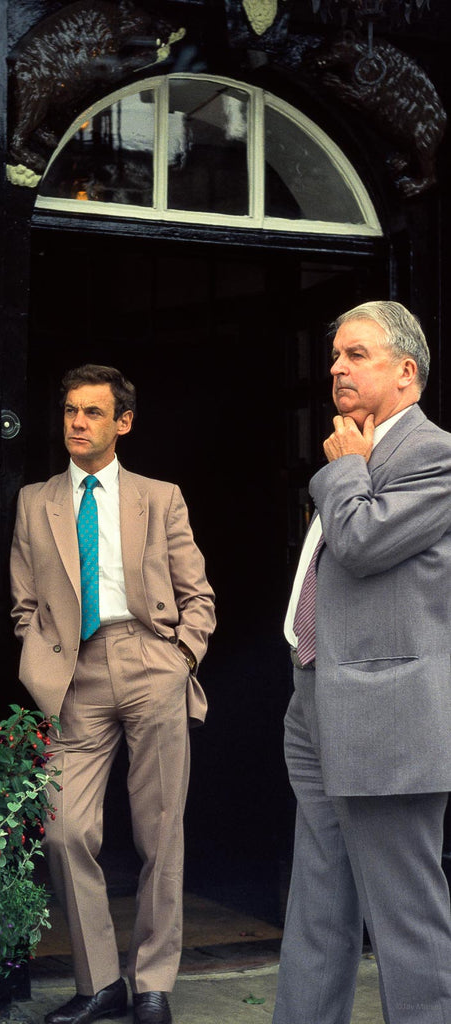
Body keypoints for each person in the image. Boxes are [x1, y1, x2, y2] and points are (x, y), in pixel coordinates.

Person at [10, 364, 215, 1024]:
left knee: (162, 833)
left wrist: (180, 656)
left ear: (122, 422)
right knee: (65, 830)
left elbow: (198, 596)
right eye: (70, 411)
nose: (77, 422)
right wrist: (40, 657)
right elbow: (24, 602)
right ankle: (100, 983)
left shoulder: (159, 498)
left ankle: (152, 982)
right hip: (75, 674)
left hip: (151, 660)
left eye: (92, 413)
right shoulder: (34, 500)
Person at [274, 300, 451, 1024]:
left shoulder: (435, 456)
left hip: (387, 717)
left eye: (357, 355)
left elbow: (363, 542)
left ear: (406, 372)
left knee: (406, 918)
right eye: (336, 355)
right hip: (314, 696)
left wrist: (346, 470)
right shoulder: (358, 448)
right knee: (318, 907)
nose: (337, 367)